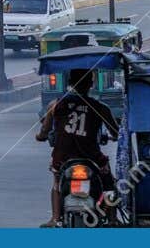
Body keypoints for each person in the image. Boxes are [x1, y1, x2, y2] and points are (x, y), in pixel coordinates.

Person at [35, 67, 118, 226]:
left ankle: (54, 218)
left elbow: (44, 132)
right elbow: (116, 132)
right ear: (91, 84)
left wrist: (40, 137)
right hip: (91, 156)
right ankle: (113, 219)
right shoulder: (100, 107)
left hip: (63, 157)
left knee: (57, 183)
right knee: (109, 184)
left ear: (69, 83)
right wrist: (113, 136)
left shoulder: (55, 104)